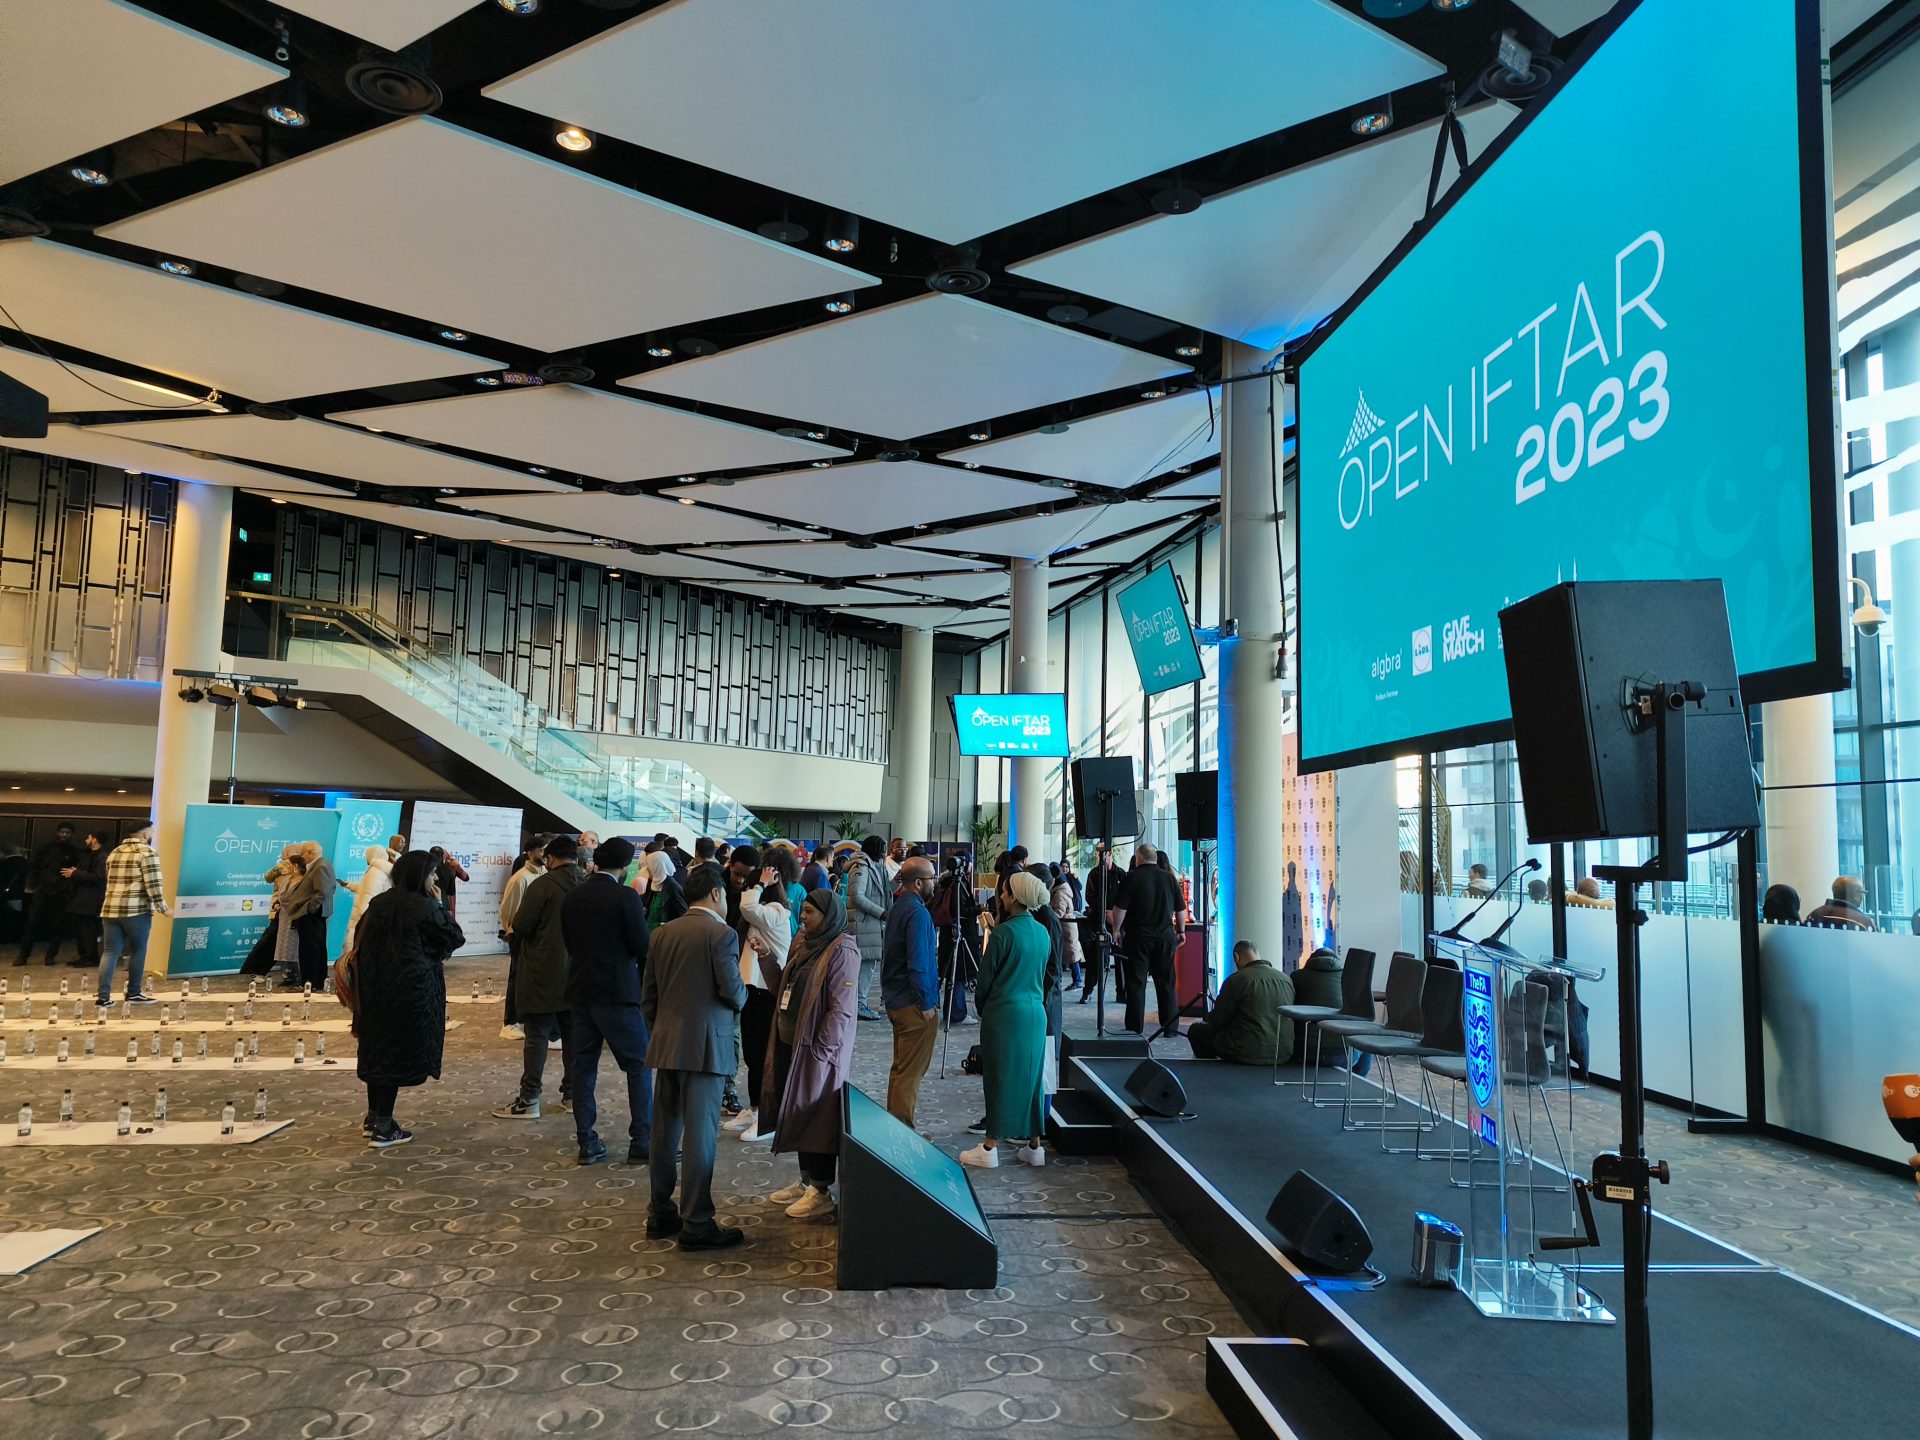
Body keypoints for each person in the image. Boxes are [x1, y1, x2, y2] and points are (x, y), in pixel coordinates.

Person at [641, 863, 747, 1250]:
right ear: (717, 893)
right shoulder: (722, 934)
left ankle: (660, 1212)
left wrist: (663, 1030)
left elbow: (648, 998)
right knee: (701, 1138)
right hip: (706, 1048)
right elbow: (733, 993)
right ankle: (697, 1223)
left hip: (667, 1043)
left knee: (665, 1135)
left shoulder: (662, 935)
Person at [354, 850, 464, 1149]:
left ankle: (374, 1117)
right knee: (395, 1055)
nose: (434, 880)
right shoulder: (425, 906)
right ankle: (384, 1125)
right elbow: (454, 936)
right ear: (420, 876)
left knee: (377, 1050)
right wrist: (439, 902)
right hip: (410, 990)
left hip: (374, 987)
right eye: (431, 875)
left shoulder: (380, 903)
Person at [762, 888, 861, 1219]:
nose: (802, 917)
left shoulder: (841, 950)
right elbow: (782, 990)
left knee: (818, 1115)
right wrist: (765, 959)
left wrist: (821, 1052)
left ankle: (820, 1189)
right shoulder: (803, 944)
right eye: (802, 911)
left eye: (810, 912)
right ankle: (806, 1182)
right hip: (794, 1044)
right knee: (798, 1109)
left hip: (819, 1053)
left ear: (828, 916)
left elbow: (841, 1009)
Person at [560, 838, 653, 1167]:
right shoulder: (625, 897)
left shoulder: (573, 895)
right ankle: (642, 1141)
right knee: (639, 1066)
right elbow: (642, 946)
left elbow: (569, 943)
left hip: (581, 991)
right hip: (618, 993)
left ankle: (587, 1142)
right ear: (625, 866)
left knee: (583, 1068)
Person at [962, 871, 1051, 1169]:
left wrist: (982, 1006)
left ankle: (989, 1147)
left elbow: (985, 980)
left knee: (999, 1080)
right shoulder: (1042, 932)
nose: (1000, 896)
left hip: (1004, 1014)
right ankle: (1035, 1146)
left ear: (1015, 897)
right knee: (1032, 1079)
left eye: (1004, 892)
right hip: (1036, 1014)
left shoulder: (1003, 933)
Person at [493, 835, 586, 1120]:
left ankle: (529, 1098)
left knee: (536, 1035)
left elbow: (520, 924)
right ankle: (572, 1095)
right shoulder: (588, 885)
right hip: (578, 972)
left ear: (551, 859)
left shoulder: (542, 885)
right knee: (573, 1036)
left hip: (542, 969)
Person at [727, 863, 792, 1143]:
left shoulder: (777, 912)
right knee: (753, 1057)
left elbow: (749, 907)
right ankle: (754, 1109)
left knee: (767, 1058)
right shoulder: (761, 913)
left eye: (749, 884)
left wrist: (761, 884)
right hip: (752, 990)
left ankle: (770, 1116)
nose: (745, 888)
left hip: (769, 992)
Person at [881, 857, 939, 1127]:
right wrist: (927, 1003)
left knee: (901, 1069)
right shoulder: (917, 913)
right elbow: (918, 963)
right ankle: (902, 1132)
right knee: (910, 1073)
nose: (934, 883)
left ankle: (895, 1127)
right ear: (918, 883)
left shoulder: (898, 907)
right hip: (913, 1003)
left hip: (896, 998)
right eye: (931, 879)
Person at [1111, 842, 1186, 1039]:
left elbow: (1120, 909)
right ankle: (1170, 1028)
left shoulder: (1131, 878)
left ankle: (1135, 1027)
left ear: (1139, 858)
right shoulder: (1170, 878)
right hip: (1164, 937)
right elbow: (1181, 909)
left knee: (1136, 982)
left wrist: (1116, 930)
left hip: (1138, 938)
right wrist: (1181, 931)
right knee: (1166, 982)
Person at [97, 821, 168, 1006]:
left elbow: (108, 879)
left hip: (110, 909)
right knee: (138, 950)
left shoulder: (115, 852)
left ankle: (103, 998)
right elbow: (153, 884)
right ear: (145, 835)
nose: (151, 836)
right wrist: (163, 908)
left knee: (110, 952)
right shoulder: (147, 853)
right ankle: (134, 993)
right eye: (151, 832)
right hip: (136, 910)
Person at [1187, 941, 1294, 1063]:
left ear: (1236, 957)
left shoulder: (1237, 980)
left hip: (1245, 1051)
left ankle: (1211, 1071)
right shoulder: (1286, 979)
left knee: (1197, 1031)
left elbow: (1217, 1021)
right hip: (1282, 1052)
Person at [498, 839, 547, 1037]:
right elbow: (508, 910)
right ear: (529, 853)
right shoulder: (520, 879)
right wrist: (512, 931)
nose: (545, 854)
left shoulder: (545, 875)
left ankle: (524, 1019)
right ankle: (509, 1022)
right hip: (520, 935)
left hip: (537, 937)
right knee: (516, 978)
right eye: (541, 851)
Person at [16, 821, 79, 965]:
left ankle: (50, 956)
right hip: (42, 890)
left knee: (57, 925)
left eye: (67, 832)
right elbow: (34, 867)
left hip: (61, 892)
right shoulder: (45, 848)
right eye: (62, 832)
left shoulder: (73, 851)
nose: (64, 835)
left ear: (71, 834)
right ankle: (23, 956)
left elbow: (75, 871)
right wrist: (33, 885)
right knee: (31, 922)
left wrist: (68, 888)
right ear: (57, 832)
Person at [930, 854, 981, 1025]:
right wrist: (978, 909)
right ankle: (956, 1012)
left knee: (951, 973)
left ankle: (950, 1010)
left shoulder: (944, 881)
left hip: (947, 933)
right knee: (957, 974)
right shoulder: (957, 884)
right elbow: (961, 909)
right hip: (958, 933)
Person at [846, 835, 891, 1022]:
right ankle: (858, 1004)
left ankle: (859, 1002)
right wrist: (882, 913)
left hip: (870, 925)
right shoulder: (861, 867)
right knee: (864, 966)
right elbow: (857, 896)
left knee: (868, 965)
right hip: (865, 924)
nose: (884, 853)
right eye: (883, 849)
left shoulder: (873, 866)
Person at [283, 840, 336, 991]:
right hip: (316, 913)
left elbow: (323, 891)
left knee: (309, 949)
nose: (300, 857)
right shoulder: (322, 865)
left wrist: (310, 908)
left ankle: (308, 982)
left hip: (312, 914)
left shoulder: (320, 867)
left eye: (302, 853)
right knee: (316, 947)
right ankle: (317, 981)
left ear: (310, 853)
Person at [1079, 846, 1123, 1007]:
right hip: (1098, 919)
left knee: (1121, 957)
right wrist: (1105, 911)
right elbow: (1090, 896)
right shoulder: (1094, 874)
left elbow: (1124, 897)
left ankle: (1122, 992)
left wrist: (1115, 914)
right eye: (1098, 853)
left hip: (1117, 920)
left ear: (1110, 854)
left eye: (1103, 853)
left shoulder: (1120, 874)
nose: (1100, 856)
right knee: (1095, 957)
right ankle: (1088, 990)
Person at [62, 829, 107, 971]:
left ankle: (90, 957)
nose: (86, 840)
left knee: (88, 929)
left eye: (88, 837)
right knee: (82, 929)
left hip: (91, 900)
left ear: (94, 839)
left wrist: (76, 873)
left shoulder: (102, 856)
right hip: (83, 899)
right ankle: (85, 956)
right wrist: (77, 872)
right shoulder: (90, 855)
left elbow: (98, 877)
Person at [344, 845, 392, 948]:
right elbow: (365, 889)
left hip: (363, 922)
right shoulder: (378, 870)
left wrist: (362, 921)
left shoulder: (376, 872)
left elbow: (369, 896)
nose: (365, 858)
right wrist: (349, 885)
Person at [1051, 866, 1085, 992]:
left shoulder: (1060, 893)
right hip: (1067, 926)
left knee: (1070, 954)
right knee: (1070, 954)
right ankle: (1077, 980)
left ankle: (1077, 981)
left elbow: (1058, 912)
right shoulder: (1062, 888)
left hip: (1065, 927)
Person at [634, 850, 688, 927]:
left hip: (662, 933)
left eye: (650, 865)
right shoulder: (653, 883)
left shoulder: (673, 887)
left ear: (657, 866)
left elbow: (683, 913)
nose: (648, 869)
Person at [1808, 875, 1875, 930]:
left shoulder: (1815, 914)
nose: (1863, 896)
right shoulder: (1864, 922)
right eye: (1863, 892)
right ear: (1856, 896)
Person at [430, 847, 470, 922]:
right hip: (433, 902)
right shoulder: (429, 867)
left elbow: (466, 878)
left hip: (448, 903)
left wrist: (457, 866)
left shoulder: (451, 866)